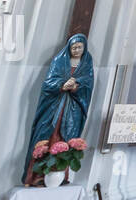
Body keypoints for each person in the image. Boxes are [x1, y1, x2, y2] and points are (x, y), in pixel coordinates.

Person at [23, 34, 93, 186]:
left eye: (79, 47)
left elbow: (88, 86)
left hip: (72, 110)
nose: (76, 50)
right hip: (54, 108)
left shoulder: (87, 64)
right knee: (46, 137)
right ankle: (36, 177)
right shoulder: (59, 61)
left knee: (65, 139)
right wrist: (61, 85)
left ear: (84, 47)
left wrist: (76, 87)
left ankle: (59, 175)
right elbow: (48, 84)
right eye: (73, 47)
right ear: (69, 47)